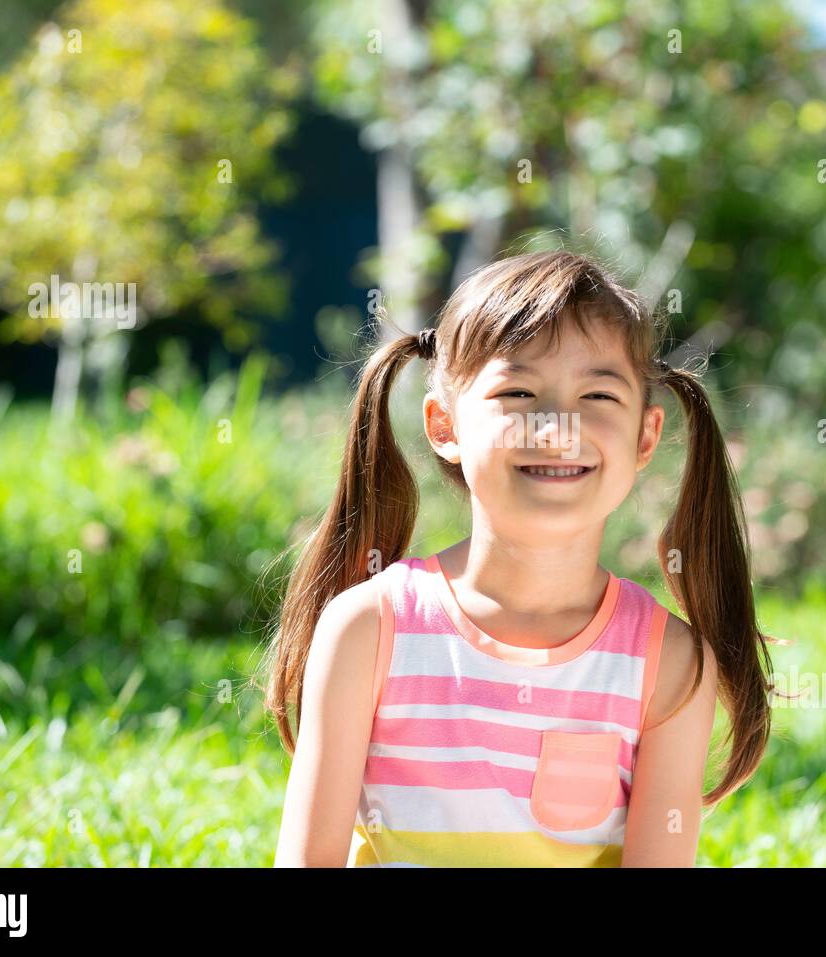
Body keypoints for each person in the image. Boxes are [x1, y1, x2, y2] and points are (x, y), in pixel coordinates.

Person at [264, 248, 774, 866]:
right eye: (521, 391)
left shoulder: (668, 664)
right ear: (445, 427)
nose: (558, 426)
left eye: (599, 397)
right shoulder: (369, 629)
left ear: (645, 437)